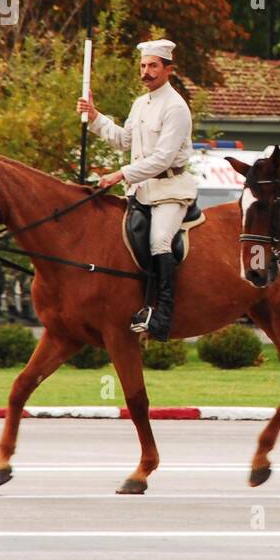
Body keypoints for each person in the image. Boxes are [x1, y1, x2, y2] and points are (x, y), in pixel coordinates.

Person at [77, 38, 198, 340]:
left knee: (159, 240)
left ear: (168, 69)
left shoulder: (176, 107)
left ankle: (162, 316)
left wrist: (120, 174)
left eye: (153, 66)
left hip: (170, 189)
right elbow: (124, 140)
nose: (146, 72)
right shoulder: (139, 104)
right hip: (141, 191)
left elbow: (162, 158)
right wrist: (95, 117)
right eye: (143, 66)